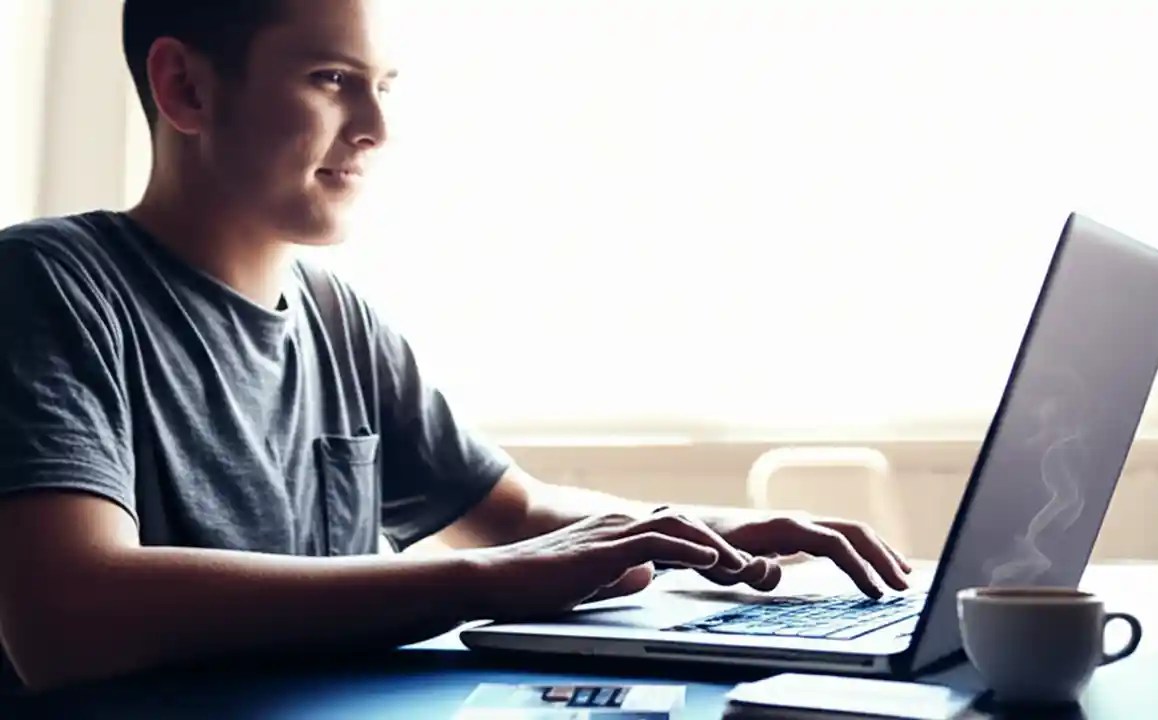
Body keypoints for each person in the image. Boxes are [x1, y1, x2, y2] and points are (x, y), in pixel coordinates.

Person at [0, 0, 911, 693]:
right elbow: (63, 617)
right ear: (184, 88)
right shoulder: (50, 283)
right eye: (330, 79)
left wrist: (705, 531)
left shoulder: (337, 317)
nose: (377, 128)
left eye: (383, 86)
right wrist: (477, 581)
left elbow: (511, 518)